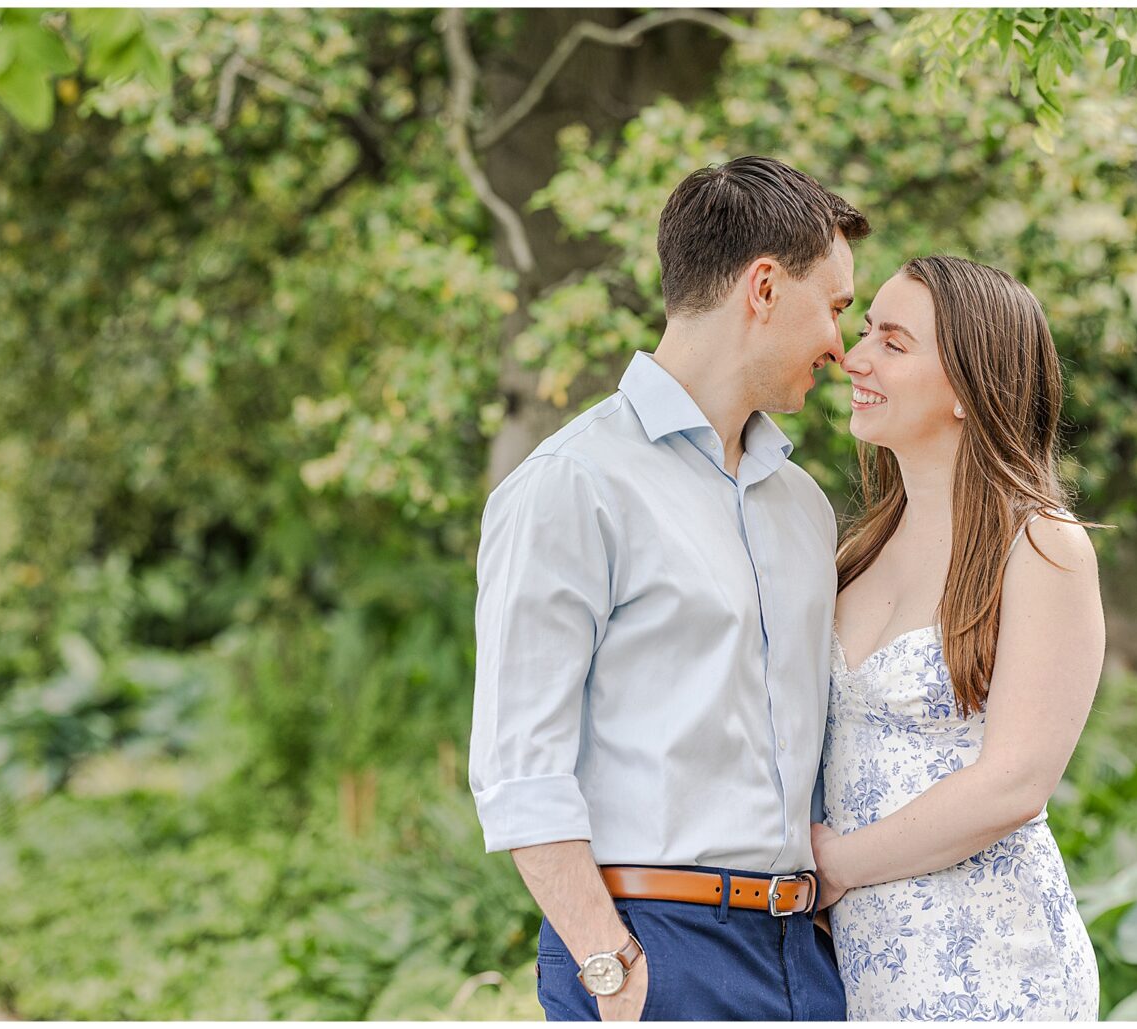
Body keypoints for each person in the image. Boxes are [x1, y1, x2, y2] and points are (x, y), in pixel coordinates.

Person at [469, 156, 868, 1021]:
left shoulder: (804, 507)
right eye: (836, 307)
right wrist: (612, 971)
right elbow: (517, 766)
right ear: (764, 286)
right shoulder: (571, 485)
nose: (843, 344)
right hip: (654, 950)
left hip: (808, 952)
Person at [812, 255, 1104, 1020]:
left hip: (994, 965)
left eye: (894, 343)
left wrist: (836, 862)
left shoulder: (1042, 547)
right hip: (865, 969)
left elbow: (1014, 784)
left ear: (973, 391)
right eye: (867, 328)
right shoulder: (855, 551)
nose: (856, 355)